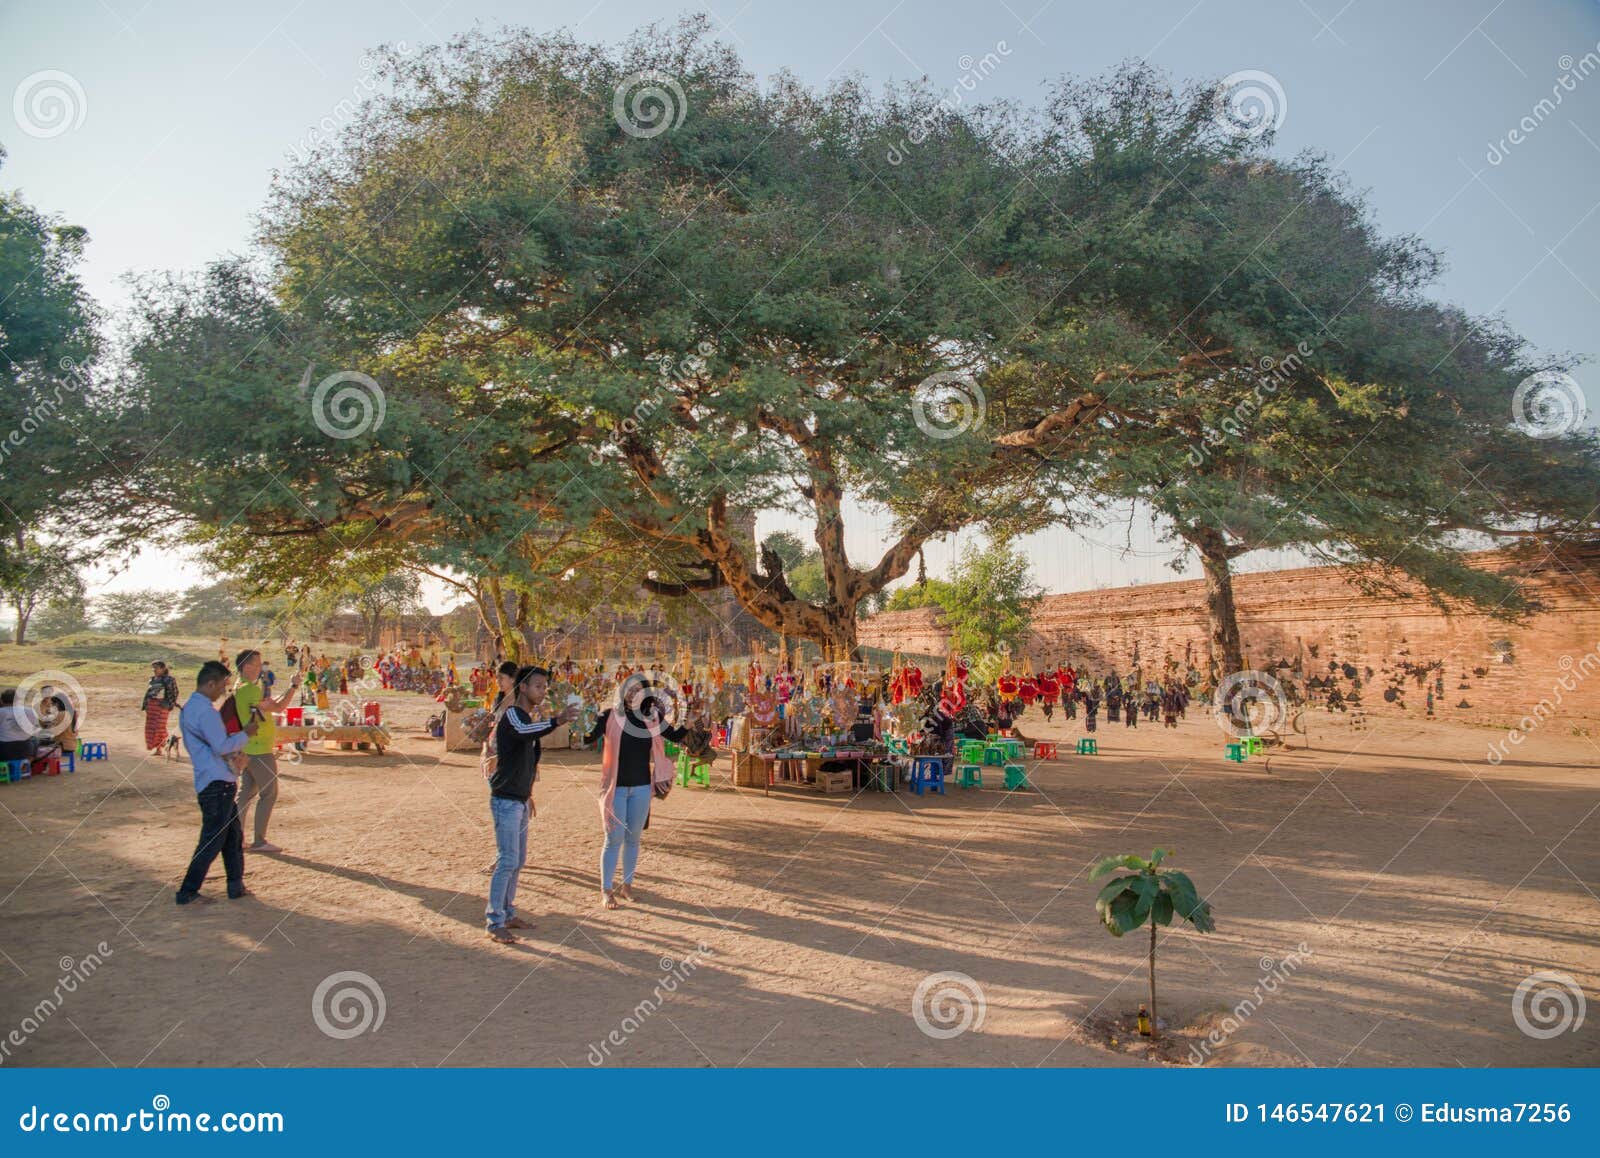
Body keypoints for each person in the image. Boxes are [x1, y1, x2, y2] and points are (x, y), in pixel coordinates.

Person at [485, 666, 577, 943]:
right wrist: (556, 720)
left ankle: (508, 911)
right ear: (522, 688)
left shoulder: (526, 717)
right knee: (507, 860)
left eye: (544, 686)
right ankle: (494, 920)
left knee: (517, 860)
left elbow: (527, 755)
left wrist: (529, 794)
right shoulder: (514, 715)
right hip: (506, 799)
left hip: (519, 799)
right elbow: (526, 732)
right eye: (538, 685)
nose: (542, 690)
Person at [590, 674, 683, 911]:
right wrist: (579, 723)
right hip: (616, 787)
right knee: (613, 839)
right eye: (629, 690)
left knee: (633, 839)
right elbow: (587, 736)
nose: (633, 694)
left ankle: (627, 885)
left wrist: (693, 725)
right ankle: (606, 889)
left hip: (642, 787)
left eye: (638, 690)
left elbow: (674, 735)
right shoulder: (609, 716)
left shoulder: (651, 718)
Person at [176, 661, 260, 905]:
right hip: (217, 781)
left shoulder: (192, 708)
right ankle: (188, 890)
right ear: (210, 683)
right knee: (213, 840)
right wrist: (246, 734)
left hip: (214, 780)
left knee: (232, 837)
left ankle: (236, 885)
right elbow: (221, 746)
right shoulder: (205, 711)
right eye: (222, 686)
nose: (223, 692)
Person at [232, 649, 302, 853]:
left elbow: (267, 707)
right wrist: (293, 686)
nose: (261, 668)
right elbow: (279, 707)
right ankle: (259, 840)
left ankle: (236, 838)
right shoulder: (251, 690)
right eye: (257, 664)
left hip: (247, 747)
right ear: (247, 666)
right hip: (260, 749)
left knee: (245, 793)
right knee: (269, 794)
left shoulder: (241, 688)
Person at [140, 661, 180, 754]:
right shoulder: (152, 679)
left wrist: (169, 703)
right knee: (150, 728)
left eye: (156, 668)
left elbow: (175, 692)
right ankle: (158, 749)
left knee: (159, 728)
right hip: (152, 706)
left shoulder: (170, 679)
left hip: (162, 706)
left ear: (163, 668)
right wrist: (146, 705)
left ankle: (167, 743)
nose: (154, 670)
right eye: (153, 668)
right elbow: (149, 693)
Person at [0, 689, 40, 762]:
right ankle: (27, 764)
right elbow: (35, 730)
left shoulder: (1, 712)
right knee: (35, 740)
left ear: (2, 701)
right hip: (26, 749)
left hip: (5, 750)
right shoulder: (30, 711)